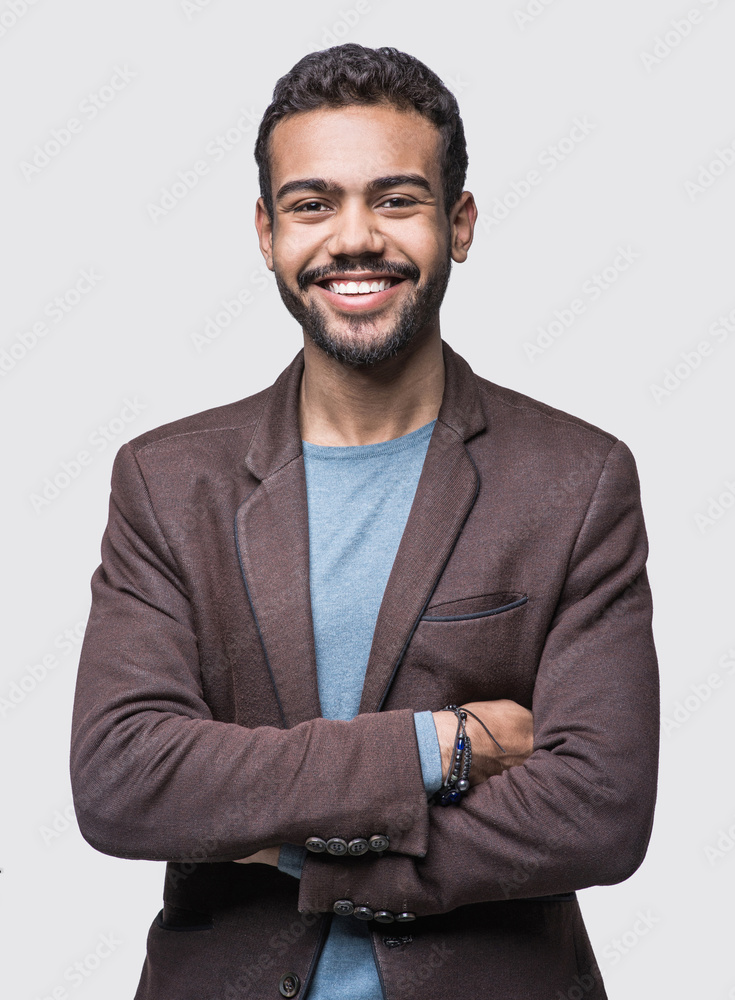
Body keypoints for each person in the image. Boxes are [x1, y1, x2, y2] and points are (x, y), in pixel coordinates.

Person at [70, 44, 660, 1000]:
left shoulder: (577, 479)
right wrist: (441, 748)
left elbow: (598, 810)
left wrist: (291, 851)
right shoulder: (166, 481)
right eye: (312, 204)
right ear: (266, 233)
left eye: (395, 200)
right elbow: (123, 778)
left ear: (457, 223)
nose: (353, 238)